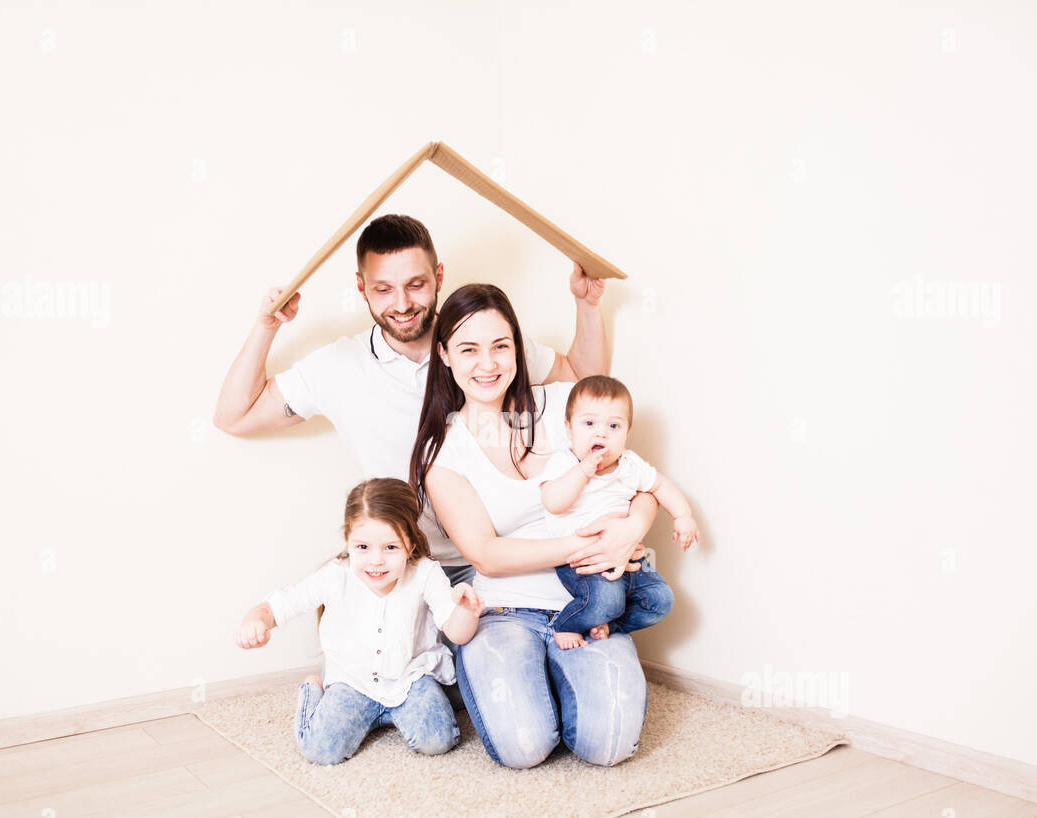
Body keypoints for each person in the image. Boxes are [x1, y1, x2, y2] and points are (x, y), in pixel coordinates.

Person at [212, 214, 637, 592]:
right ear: (361, 288)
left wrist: (587, 304)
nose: (402, 304)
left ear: (438, 276)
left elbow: (584, 385)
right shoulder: (340, 366)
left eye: (416, 285)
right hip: (414, 566)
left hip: (507, 553)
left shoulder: (481, 342)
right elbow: (234, 415)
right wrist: (266, 326)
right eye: (383, 289)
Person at [410, 284, 656, 770]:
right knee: (525, 748)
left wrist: (630, 531)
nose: (488, 363)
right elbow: (486, 554)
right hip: (502, 607)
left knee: (609, 747)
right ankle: (521, 675)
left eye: (501, 346)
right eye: (468, 349)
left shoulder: (563, 404)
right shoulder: (443, 453)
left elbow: (640, 481)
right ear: (443, 355)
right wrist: (585, 544)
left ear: (517, 349)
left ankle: (561, 674)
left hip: (586, 606)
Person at [235, 478, 486, 765]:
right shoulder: (335, 575)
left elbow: (458, 632)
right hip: (352, 682)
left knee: (438, 740)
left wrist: (467, 610)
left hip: (410, 679)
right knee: (319, 750)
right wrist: (256, 621)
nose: (376, 561)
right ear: (348, 542)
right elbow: (276, 606)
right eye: (363, 547)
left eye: (390, 548)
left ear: (410, 544)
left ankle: (396, 713)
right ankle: (312, 689)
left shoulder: (425, 573)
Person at [540, 375, 698, 649]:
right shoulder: (563, 462)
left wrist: (683, 515)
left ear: (627, 433)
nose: (600, 433)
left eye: (613, 426)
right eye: (589, 423)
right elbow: (553, 502)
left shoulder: (629, 465)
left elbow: (659, 484)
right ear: (569, 429)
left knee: (661, 600)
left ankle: (607, 625)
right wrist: (583, 470)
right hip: (582, 561)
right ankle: (565, 625)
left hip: (626, 556)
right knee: (607, 600)